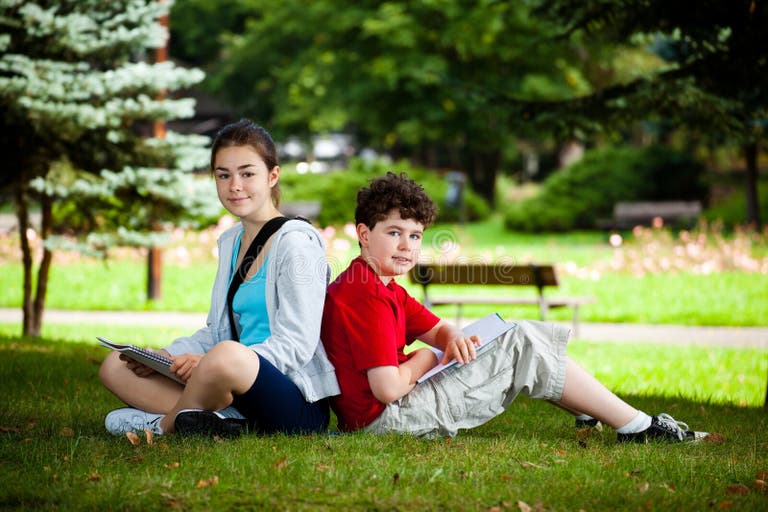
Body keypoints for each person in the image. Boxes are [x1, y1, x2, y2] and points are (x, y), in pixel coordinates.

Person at [320, 172, 708, 442]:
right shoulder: (364, 294)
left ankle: (594, 411)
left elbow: (438, 329)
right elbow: (386, 388)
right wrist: (429, 356)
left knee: (509, 335)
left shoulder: (377, 284)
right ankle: (638, 428)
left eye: (416, 235)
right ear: (364, 235)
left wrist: (451, 337)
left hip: (389, 412)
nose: (407, 246)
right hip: (387, 420)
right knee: (520, 340)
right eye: (394, 233)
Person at [99, 119, 339, 437]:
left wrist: (213, 363)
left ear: (273, 176)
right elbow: (217, 330)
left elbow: (297, 344)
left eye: (247, 173)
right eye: (223, 175)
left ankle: (164, 427)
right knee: (116, 364)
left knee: (226, 355)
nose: (234, 185)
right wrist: (166, 355)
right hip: (231, 389)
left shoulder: (297, 244)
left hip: (293, 401)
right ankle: (221, 423)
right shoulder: (232, 241)